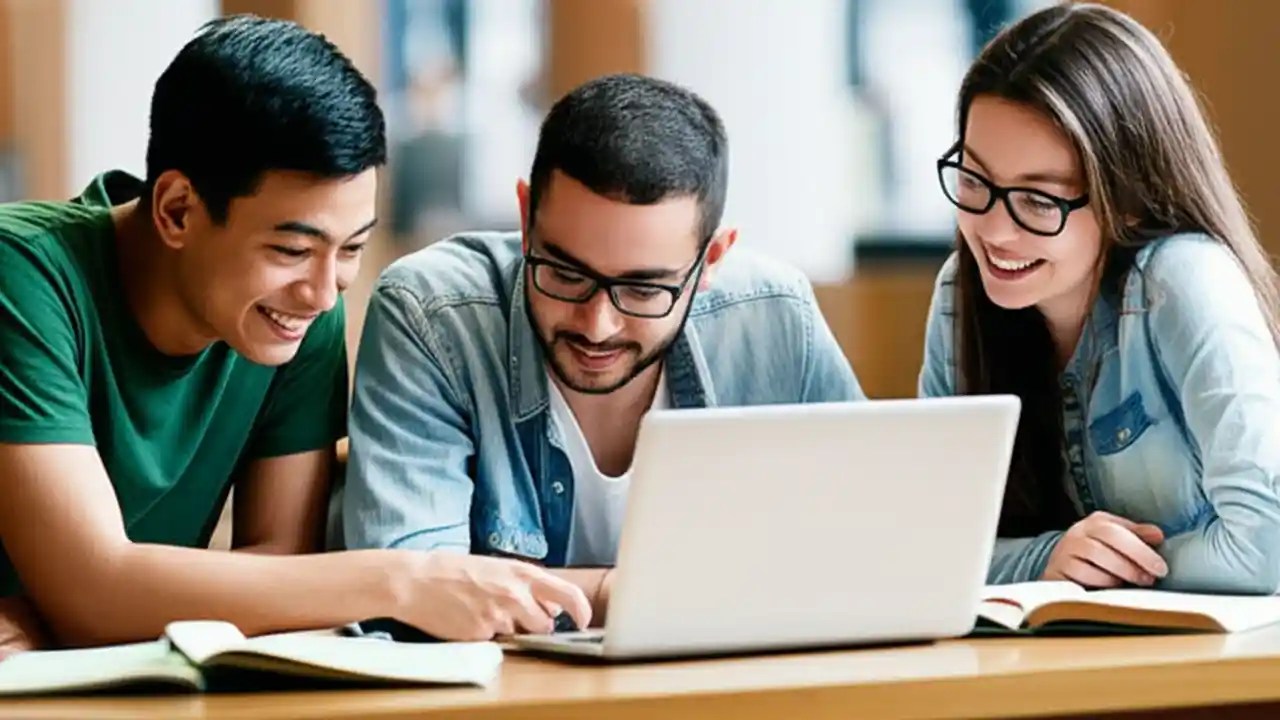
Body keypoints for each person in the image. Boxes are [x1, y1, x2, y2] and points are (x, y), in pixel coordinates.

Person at [0, 14, 590, 655]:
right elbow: (97, 591)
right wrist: (404, 580)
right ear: (177, 210)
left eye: (351, 248)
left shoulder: (297, 316)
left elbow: (282, 561)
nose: (323, 292)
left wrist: (64, 612)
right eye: (290, 250)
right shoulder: (22, 276)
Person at [339, 73, 864, 634]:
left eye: (643, 289)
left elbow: (867, 548)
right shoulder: (434, 314)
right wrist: (665, 593)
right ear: (525, 218)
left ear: (711, 259)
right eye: (566, 274)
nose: (597, 325)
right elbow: (413, 599)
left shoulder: (772, 318)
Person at [919, 3, 1280, 594]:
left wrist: (1105, 567)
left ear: (1128, 199)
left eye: (1039, 201)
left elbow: (1267, 545)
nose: (994, 231)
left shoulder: (1183, 280)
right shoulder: (960, 295)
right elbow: (929, 544)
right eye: (975, 181)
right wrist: (1050, 557)